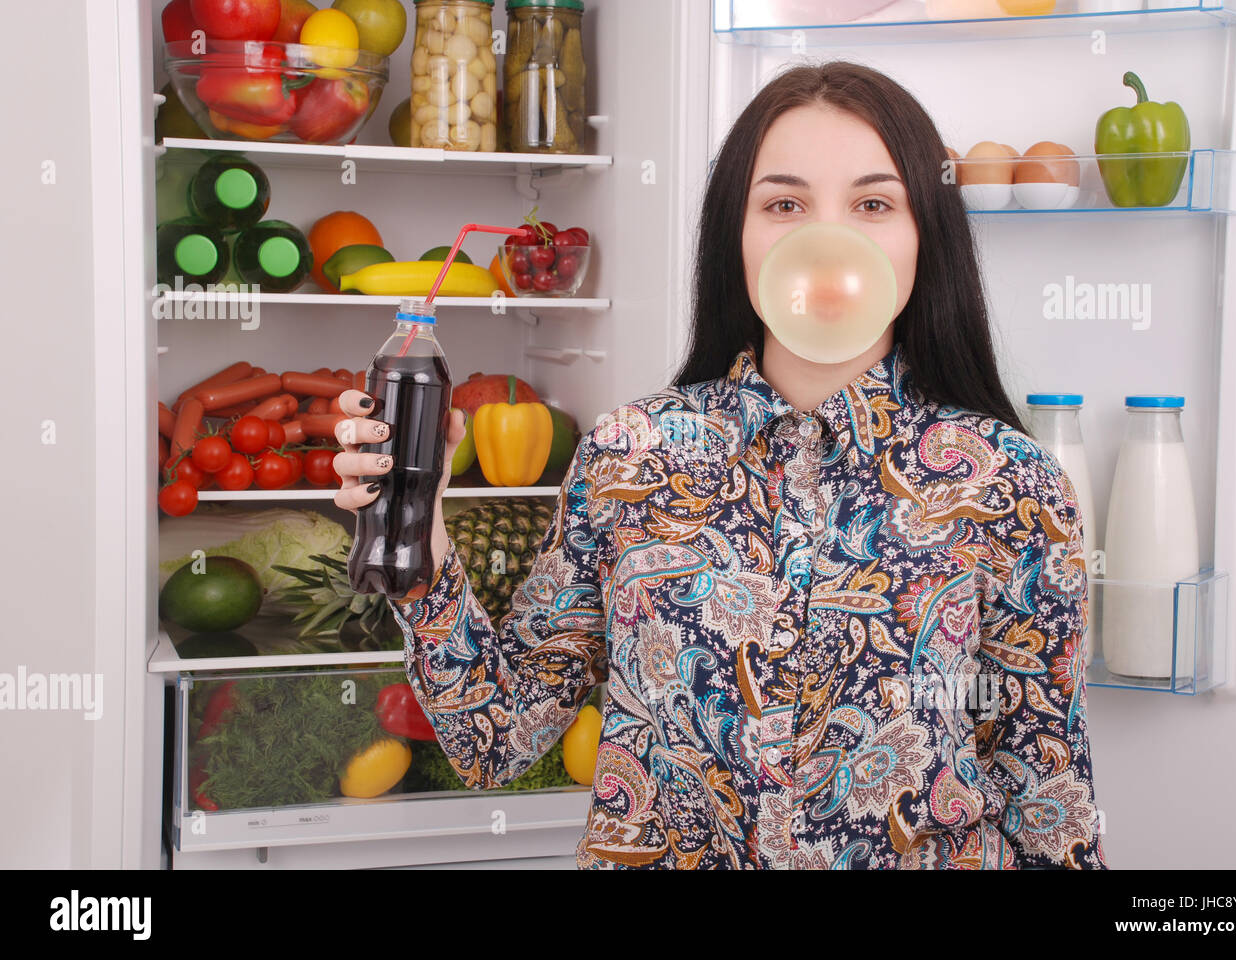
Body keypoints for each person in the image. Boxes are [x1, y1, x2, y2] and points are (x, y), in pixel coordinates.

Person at [333, 61, 1107, 870]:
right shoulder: (630, 454)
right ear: (736, 235)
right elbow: (494, 739)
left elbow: (1051, 809)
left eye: (873, 203)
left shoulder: (1014, 483)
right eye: (784, 204)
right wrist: (417, 550)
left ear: (926, 234)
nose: (825, 238)